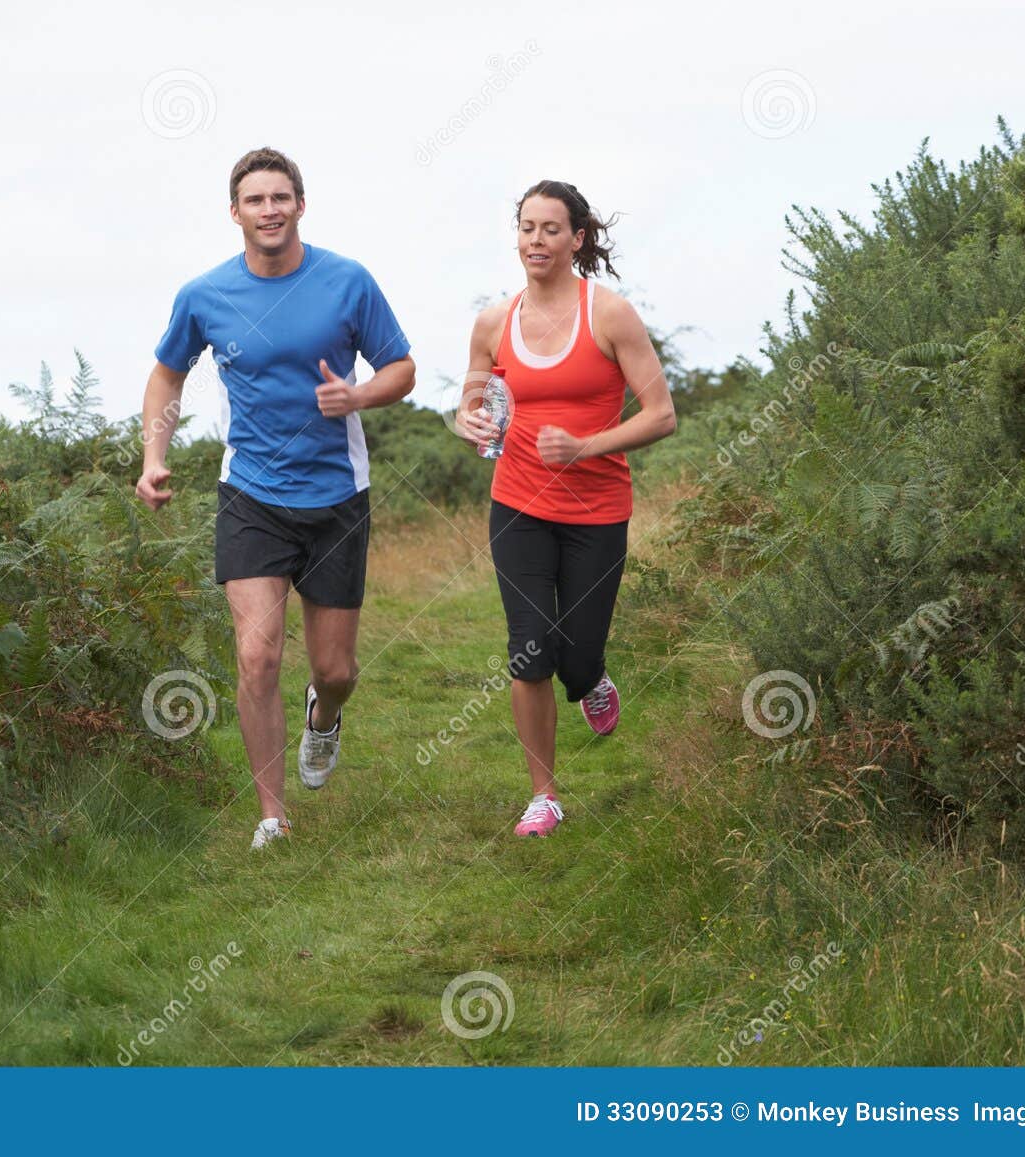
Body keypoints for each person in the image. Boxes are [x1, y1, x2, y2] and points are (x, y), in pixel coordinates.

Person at [137, 147, 416, 850]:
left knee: (336, 670)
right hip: (252, 495)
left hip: (337, 495)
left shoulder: (347, 281)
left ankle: (325, 713)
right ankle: (273, 815)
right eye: (256, 200)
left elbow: (402, 368)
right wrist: (153, 458)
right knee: (257, 656)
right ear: (234, 212)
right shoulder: (204, 295)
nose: (270, 210)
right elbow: (167, 375)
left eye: (281, 197)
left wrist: (357, 395)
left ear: (300, 205)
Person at [459, 180, 676, 837]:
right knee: (530, 650)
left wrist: (585, 447)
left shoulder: (609, 315)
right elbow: (473, 403)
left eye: (551, 229)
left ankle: (593, 679)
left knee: (577, 660)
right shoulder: (493, 322)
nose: (536, 240)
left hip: (597, 511)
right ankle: (544, 795)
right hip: (518, 506)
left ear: (577, 238)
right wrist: (469, 423)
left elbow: (662, 414)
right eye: (527, 227)